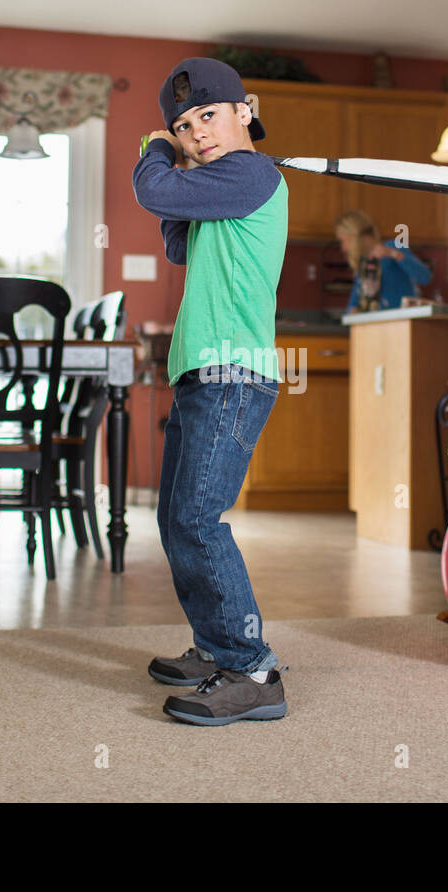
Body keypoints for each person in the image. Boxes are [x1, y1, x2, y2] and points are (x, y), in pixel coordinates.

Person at [131, 57, 289, 726]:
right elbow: (175, 238)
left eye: (208, 116)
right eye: (182, 125)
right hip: (202, 373)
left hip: (232, 374)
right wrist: (184, 172)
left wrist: (158, 150)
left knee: (197, 519)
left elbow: (152, 191)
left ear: (244, 111)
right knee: (175, 520)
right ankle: (214, 646)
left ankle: (251, 668)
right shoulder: (221, 184)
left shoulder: (253, 173)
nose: (196, 131)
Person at [335, 209, 433, 313]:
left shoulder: (392, 247)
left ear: (355, 236)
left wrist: (394, 254)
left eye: (343, 241)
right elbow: (353, 304)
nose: (343, 248)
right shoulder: (364, 264)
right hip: (379, 325)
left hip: (403, 322)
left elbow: (425, 277)